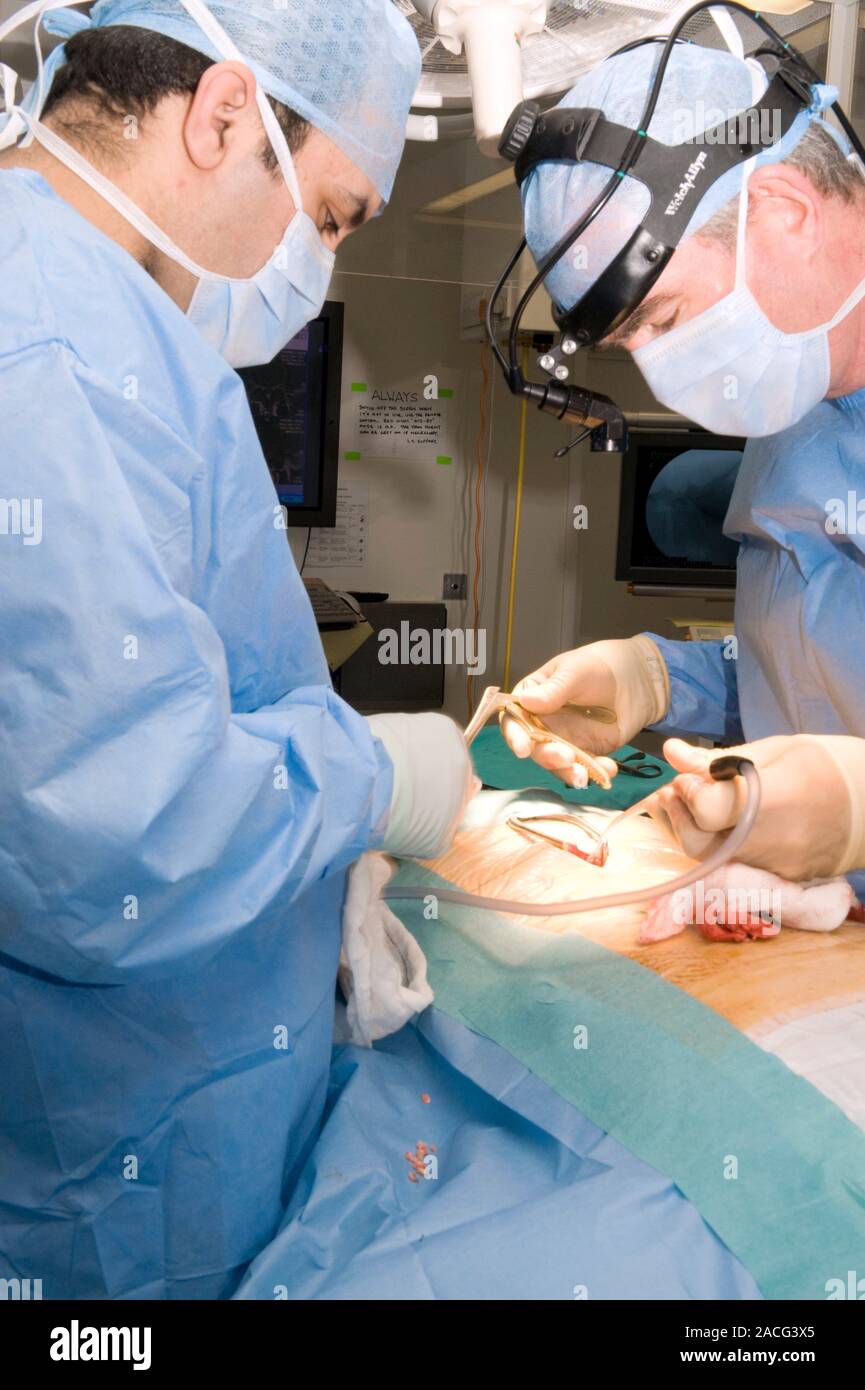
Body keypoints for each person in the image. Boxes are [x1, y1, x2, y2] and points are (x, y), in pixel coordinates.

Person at [0, 0, 476, 1299]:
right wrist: (373, 777)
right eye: (326, 216)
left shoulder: (85, 319)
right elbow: (111, 830)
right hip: (113, 1166)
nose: (307, 265)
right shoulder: (55, 356)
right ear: (219, 117)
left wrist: (315, 835)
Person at [506, 37, 865, 888]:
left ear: (783, 211)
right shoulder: (797, 390)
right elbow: (811, 670)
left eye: (662, 320)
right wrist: (656, 678)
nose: (657, 372)